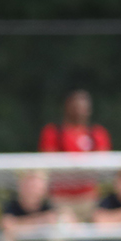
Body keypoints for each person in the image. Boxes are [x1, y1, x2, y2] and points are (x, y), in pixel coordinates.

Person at [38, 89, 112, 218]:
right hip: (60, 198)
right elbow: (50, 163)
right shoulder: (54, 133)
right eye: (76, 105)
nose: (81, 109)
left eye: (85, 106)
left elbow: (101, 164)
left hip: (90, 198)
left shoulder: (97, 134)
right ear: (67, 106)